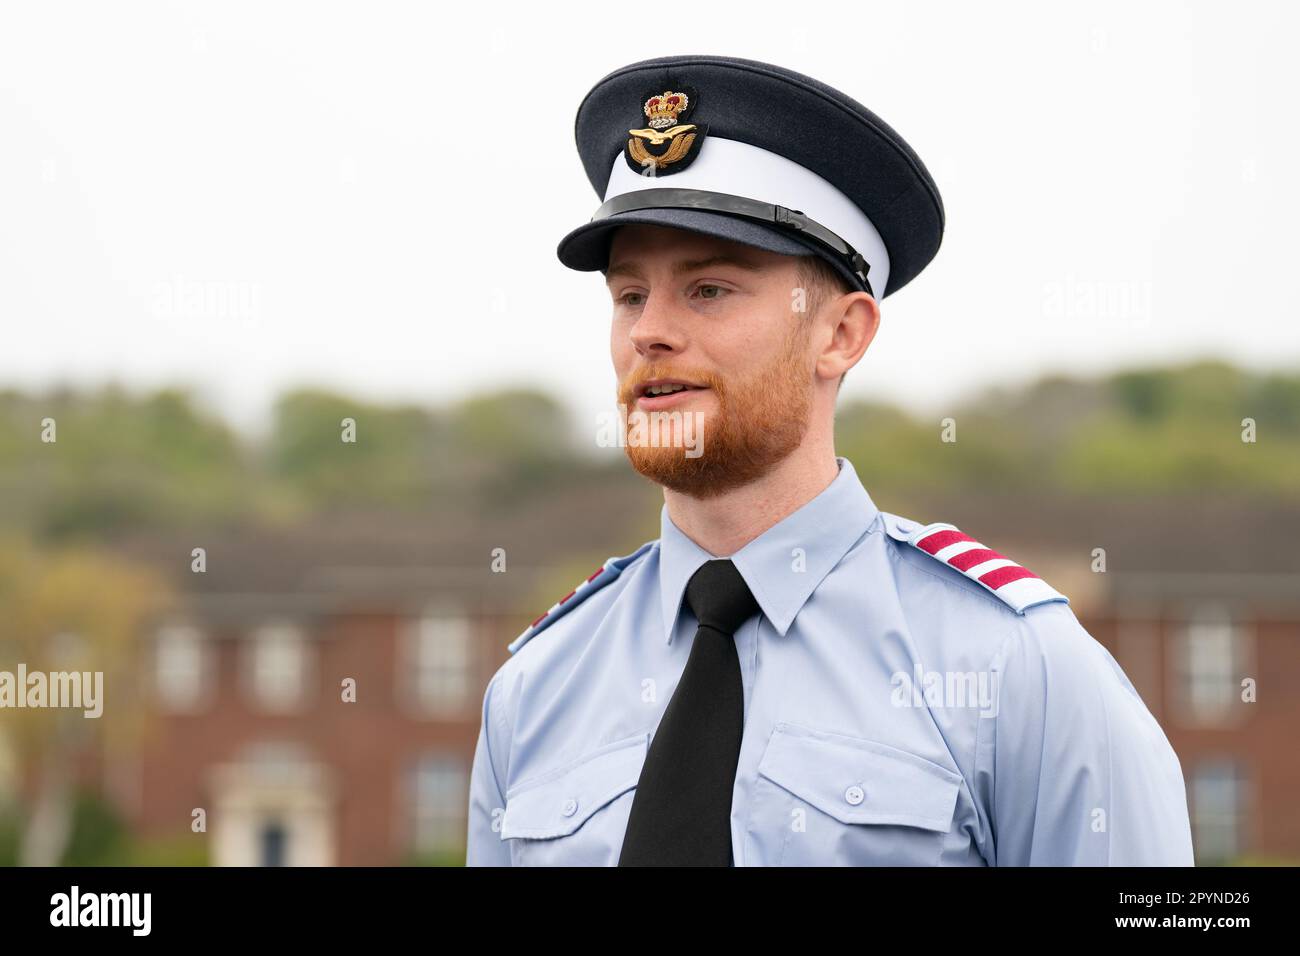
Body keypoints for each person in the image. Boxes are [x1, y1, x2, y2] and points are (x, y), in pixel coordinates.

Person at [466, 54, 1194, 866]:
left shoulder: (1017, 669)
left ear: (841, 333)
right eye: (631, 295)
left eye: (708, 289)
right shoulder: (535, 689)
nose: (649, 332)